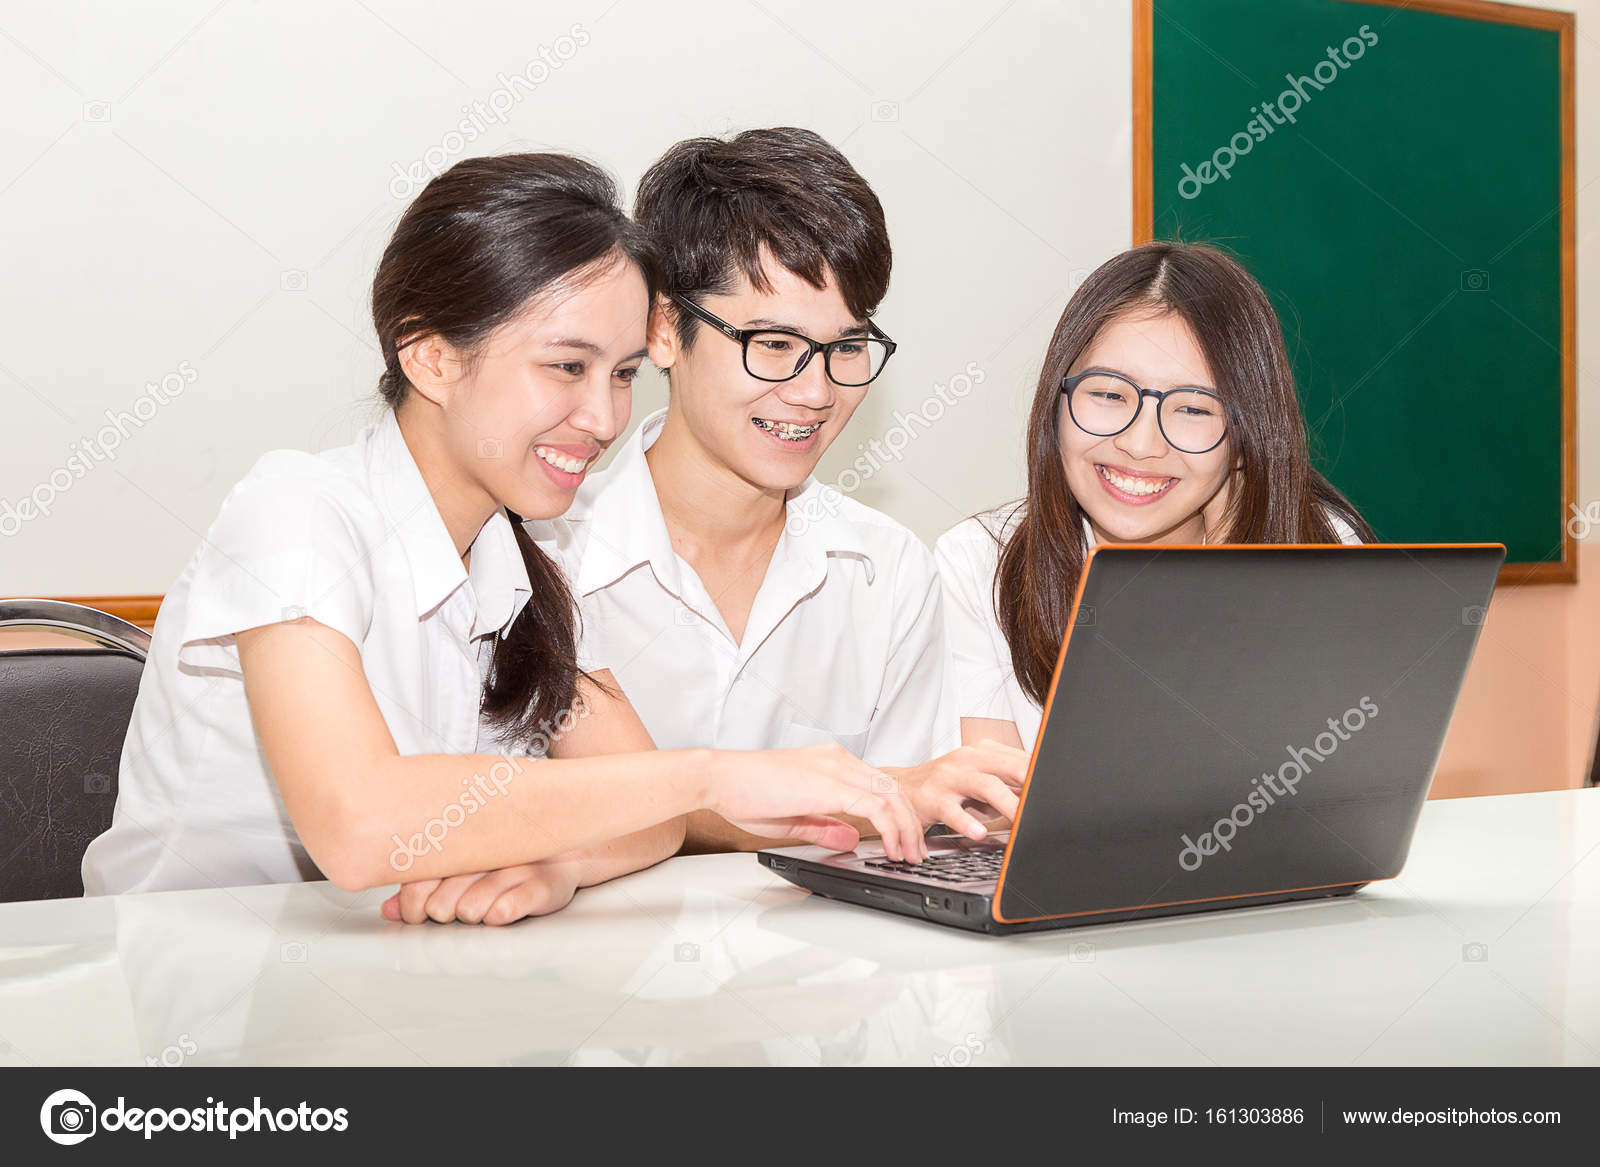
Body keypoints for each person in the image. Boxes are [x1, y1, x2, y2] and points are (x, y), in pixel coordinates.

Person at [80, 153, 929, 923]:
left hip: (394, 995)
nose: (603, 418)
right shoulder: (296, 510)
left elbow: (652, 819)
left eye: (624, 373)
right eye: (567, 367)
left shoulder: (524, 556)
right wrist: (711, 772)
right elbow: (360, 823)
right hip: (188, 1005)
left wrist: (558, 864)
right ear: (431, 356)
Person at [527, 127, 1028, 855]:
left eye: (846, 347)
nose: (816, 390)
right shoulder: (541, 555)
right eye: (774, 345)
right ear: (664, 330)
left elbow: (906, 830)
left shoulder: (887, 572)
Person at [935, 241, 1373, 753]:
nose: (1140, 445)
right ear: (1057, 399)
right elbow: (992, 803)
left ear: (1246, 435)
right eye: (1108, 394)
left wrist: (1235, 577)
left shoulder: (1319, 547)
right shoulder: (978, 562)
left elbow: (1329, 780)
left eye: (1192, 409)